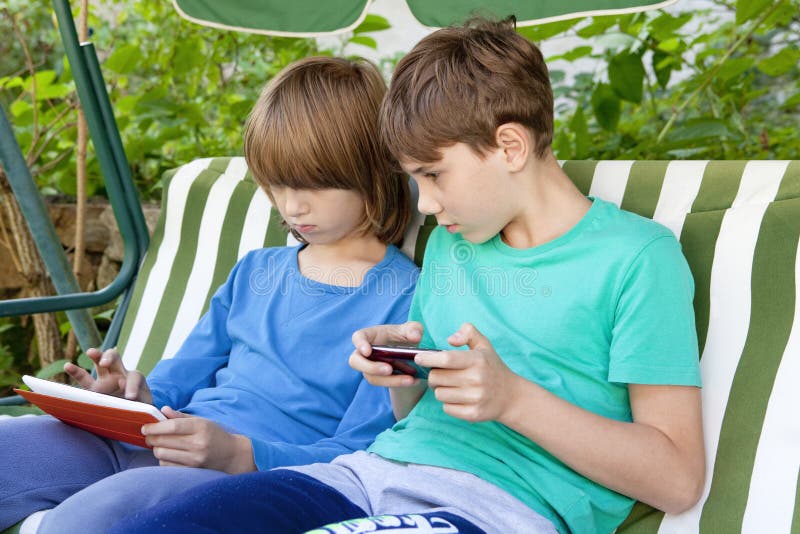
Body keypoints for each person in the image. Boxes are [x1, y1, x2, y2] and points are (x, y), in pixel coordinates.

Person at [110, 18, 705, 534]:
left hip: (494, 509)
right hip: (365, 477)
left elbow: (677, 480)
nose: (420, 205)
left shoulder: (637, 259)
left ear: (510, 146)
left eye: (433, 175)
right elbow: (411, 417)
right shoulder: (453, 244)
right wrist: (400, 372)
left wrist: (513, 398)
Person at [0, 56, 419, 533]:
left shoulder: (404, 304)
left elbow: (361, 453)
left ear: (374, 170)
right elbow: (177, 381)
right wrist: (131, 396)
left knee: (87, 520)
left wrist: (238, 453)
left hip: (233, 476)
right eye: (277, 184)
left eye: (313, 186)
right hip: (154, 438)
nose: (291, 205)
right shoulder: (256, 271)